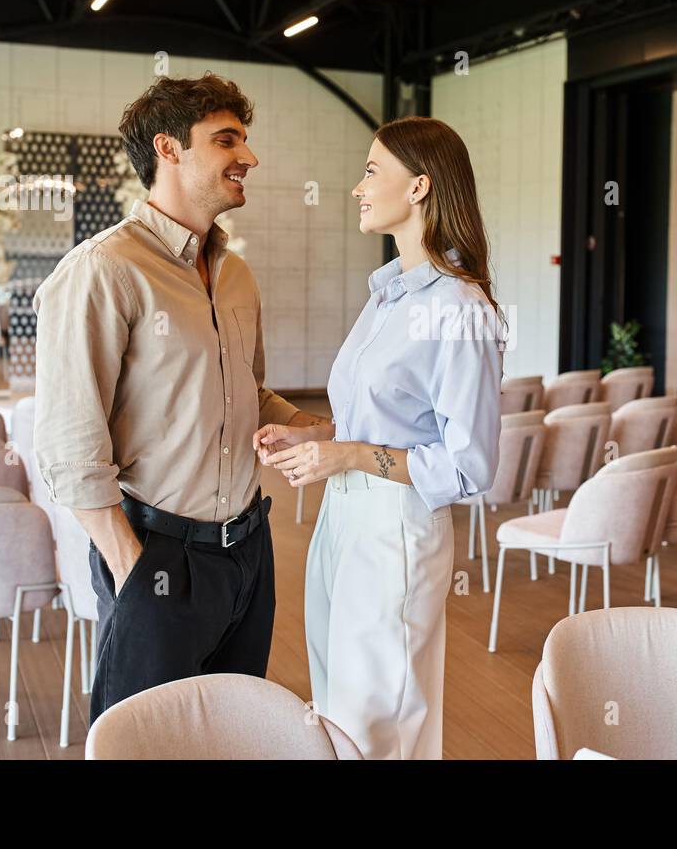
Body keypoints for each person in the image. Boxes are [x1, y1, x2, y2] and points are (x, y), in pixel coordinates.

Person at [34, 73, 329, 723]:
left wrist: (313, 428)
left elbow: (246, 392)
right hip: (156, 556)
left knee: (227, 733)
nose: (247, 157)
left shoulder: (236, 274)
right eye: (227, 140)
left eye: (245, 141)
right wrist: (131, 567)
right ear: (168, 149)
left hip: (250, 550)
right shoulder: (103, 270)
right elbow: (67, 446)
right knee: (145, 743)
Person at [254, 116, 502, 759]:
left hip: (396, 527)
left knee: (379, 722)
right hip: (343, 516)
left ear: (419, 186)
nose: (357, 187)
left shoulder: (462, 309)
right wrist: (311, 437)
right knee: (336, 711)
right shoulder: (386, 295)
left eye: (371, 171)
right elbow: (380, 423)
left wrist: (348, 453)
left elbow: (470, 465)